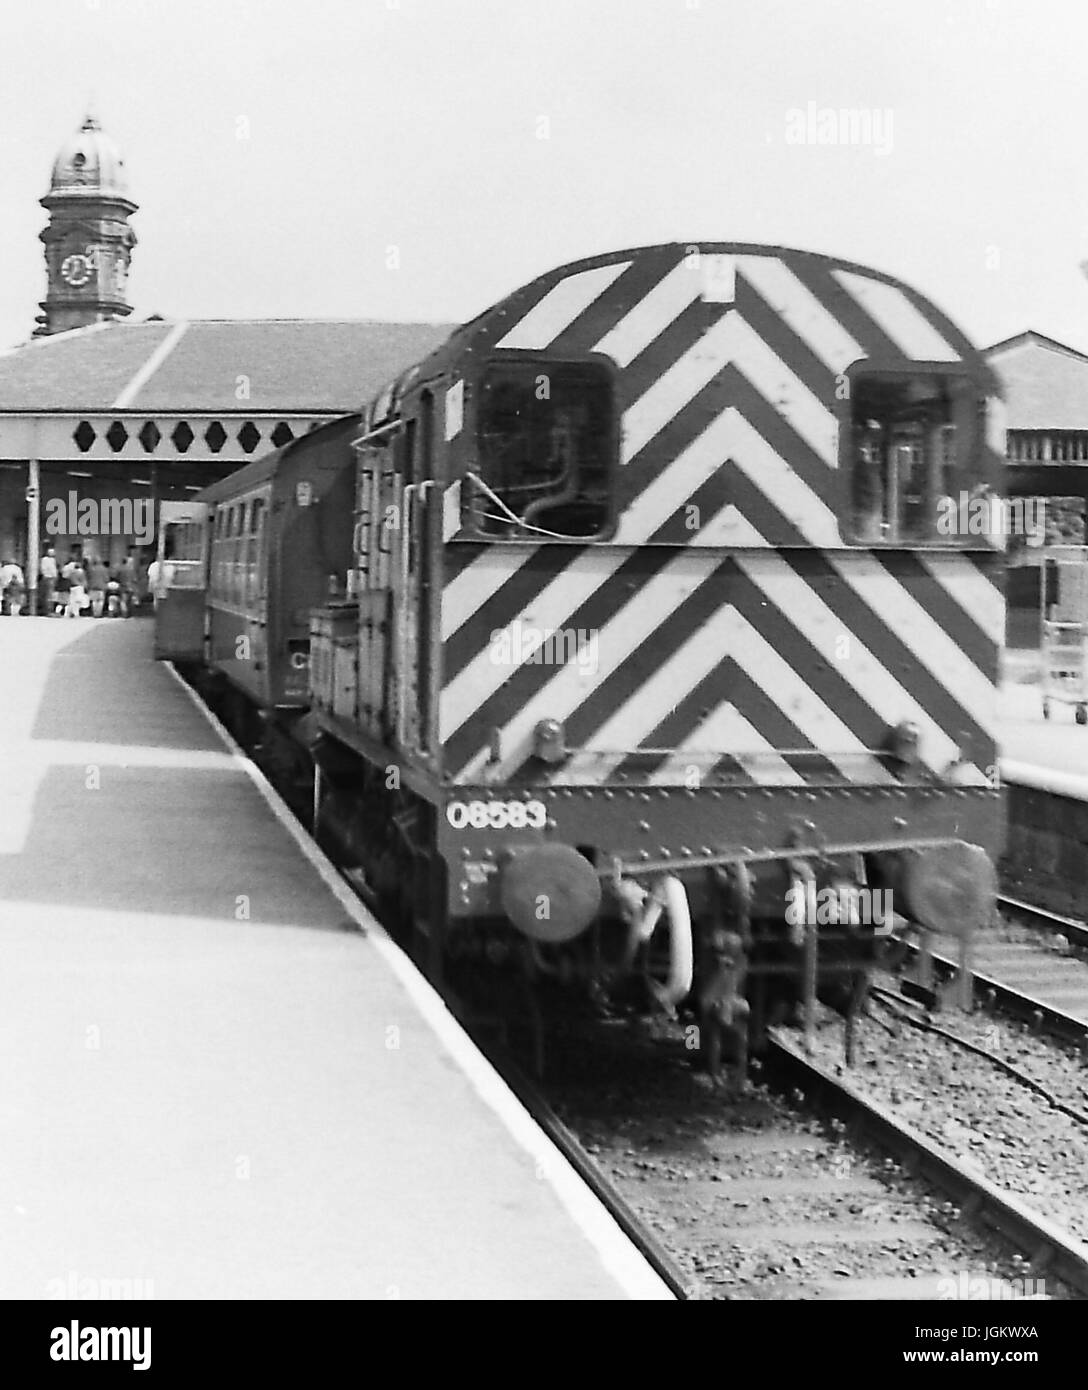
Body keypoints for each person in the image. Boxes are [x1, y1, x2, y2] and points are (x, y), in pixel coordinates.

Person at [61, 551, 89, 618]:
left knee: (72, 601)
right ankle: (76, 613)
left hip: (72, 587)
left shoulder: (71, 572)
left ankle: (68, 613)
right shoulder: (81, 572)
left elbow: (65, 576)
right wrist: (85, 586)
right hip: (79, 587)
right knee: (78, 601)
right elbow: (83, 580)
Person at [39, 545, 58, 616]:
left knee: (50, 595)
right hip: (48, 578)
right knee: (48, 595)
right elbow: (46, 569)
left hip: (50, 578)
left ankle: (50, 610)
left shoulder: (52, 560)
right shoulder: (45, 560)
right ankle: (48, 610)